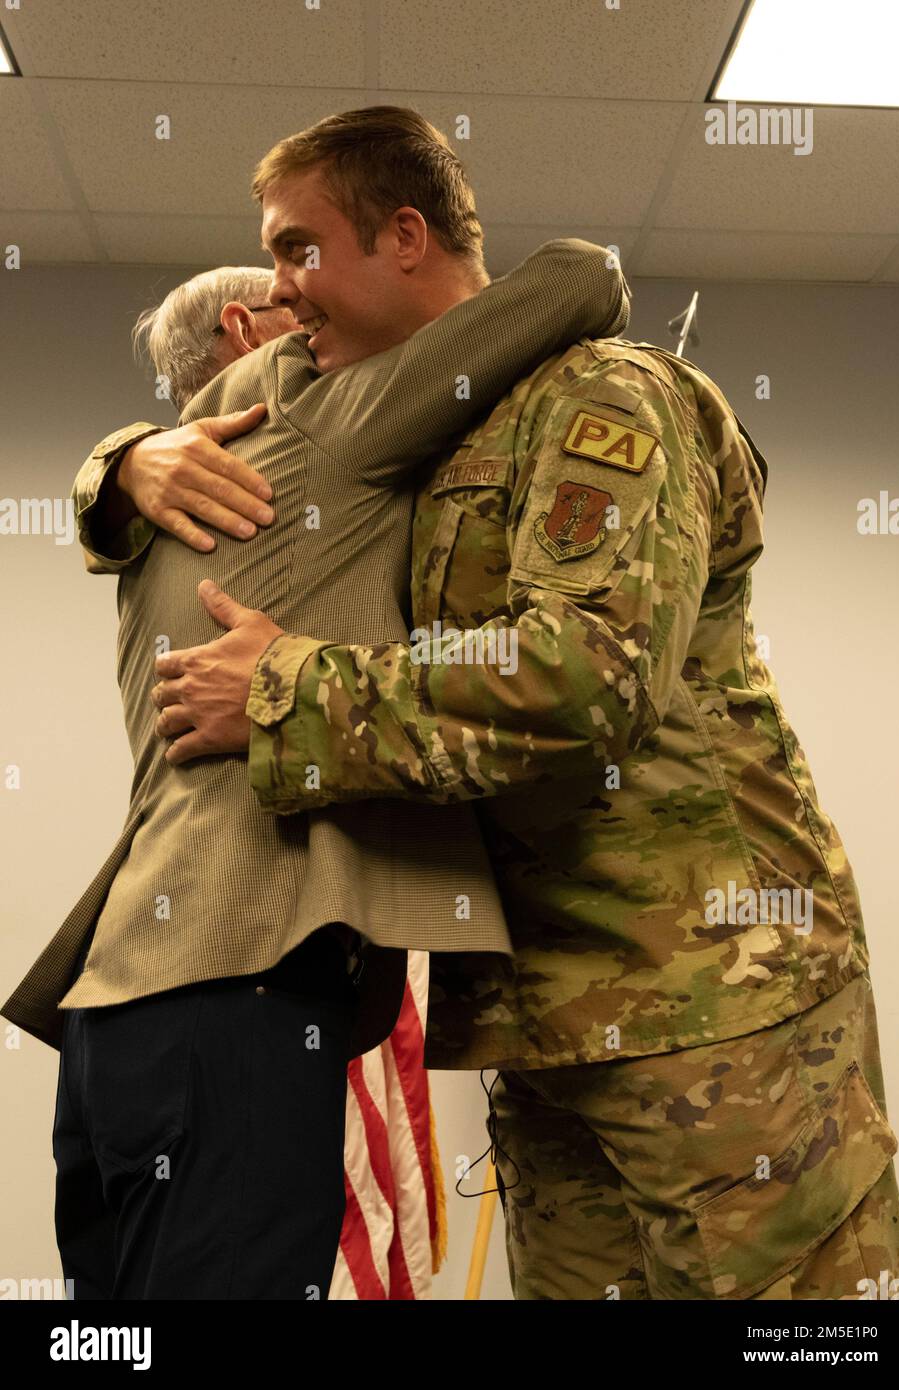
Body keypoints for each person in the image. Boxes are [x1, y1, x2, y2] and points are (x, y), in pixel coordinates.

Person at [29, 104, 899, 1301]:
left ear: (405, 236)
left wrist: (288, 691)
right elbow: (220, 433)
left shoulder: (601, 393)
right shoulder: (415, 439)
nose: (284, 293)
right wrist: (120, 460)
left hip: (714, 1003)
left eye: (302, 250)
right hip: (543, 1017)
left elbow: (590, 673)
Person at [1, 127, 630, 1293]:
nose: (307, 306)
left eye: (305, 256)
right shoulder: (311, 422)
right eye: (285, 279)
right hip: (231, 994)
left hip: (127, 1011)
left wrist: (117, 456)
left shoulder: (152, 503)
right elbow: (583, 276)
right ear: (256, 348)